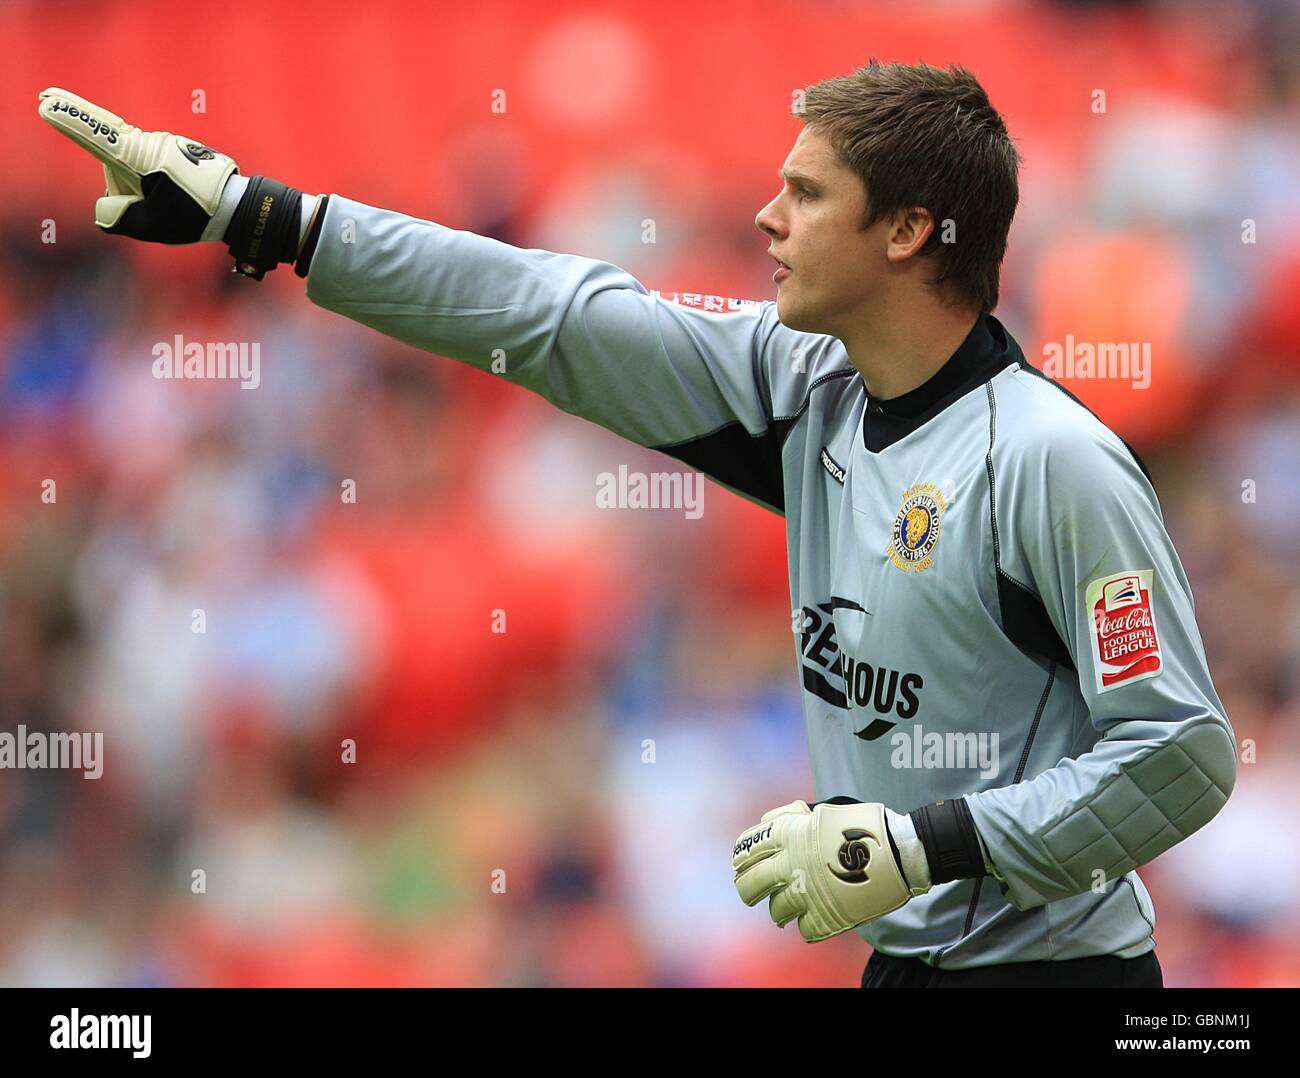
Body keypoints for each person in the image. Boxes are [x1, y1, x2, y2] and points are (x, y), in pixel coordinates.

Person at [39, 60, 1236, 989]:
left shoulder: (1049, 462)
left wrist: (926, 843)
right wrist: (271, 219)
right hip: (903, 968)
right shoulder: (801, 382)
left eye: (806, 193)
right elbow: (556, 315)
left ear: (910, 231)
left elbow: (1181, 754)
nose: (765, 216)